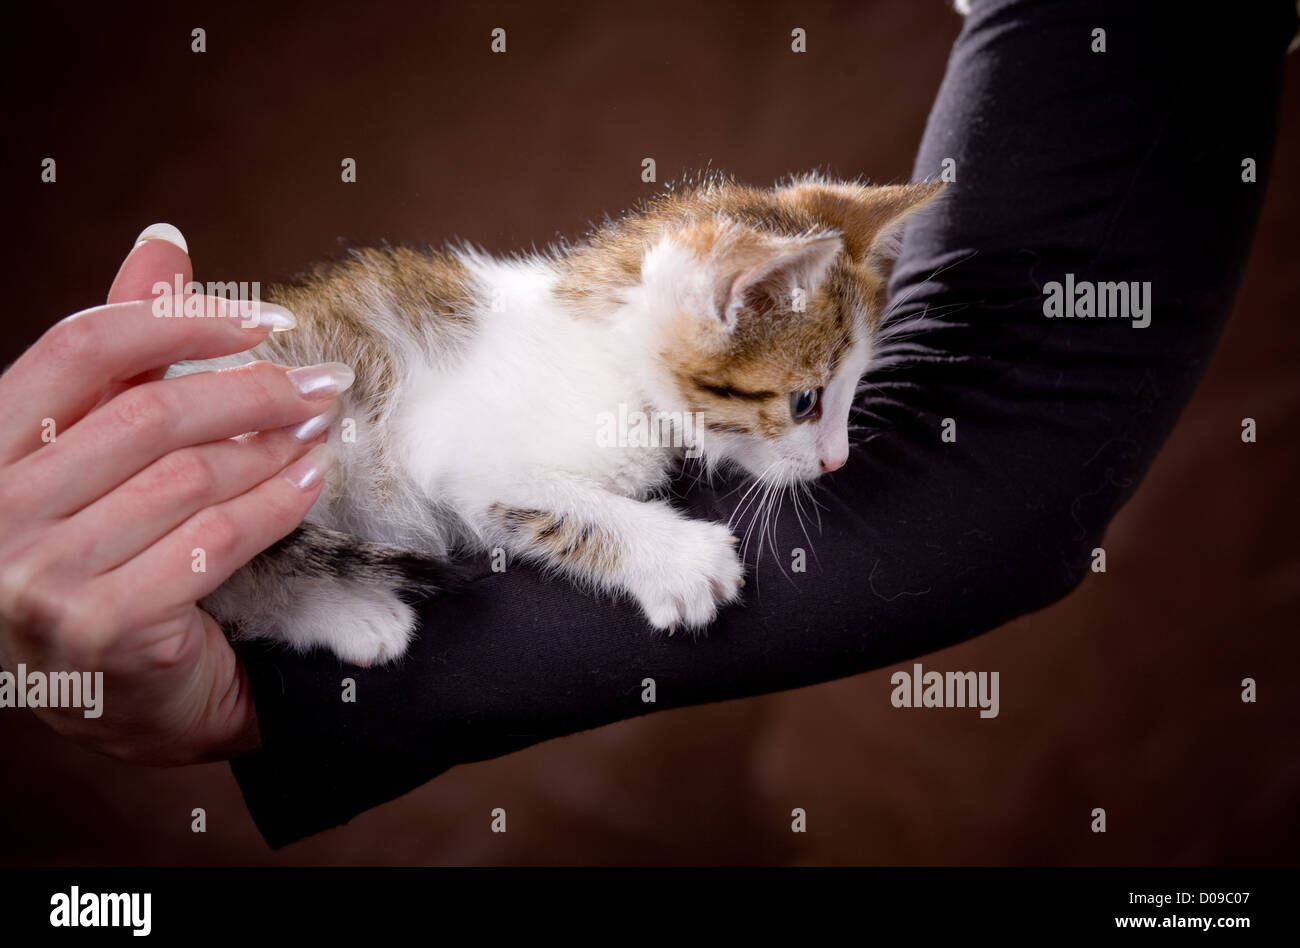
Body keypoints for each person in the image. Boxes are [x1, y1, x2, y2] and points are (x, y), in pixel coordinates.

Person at [1, 0, 1295, 847]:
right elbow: (483, 465)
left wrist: (280, 697)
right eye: (807, 405)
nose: (833, 451)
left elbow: (984, 463)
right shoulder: (609, 356)